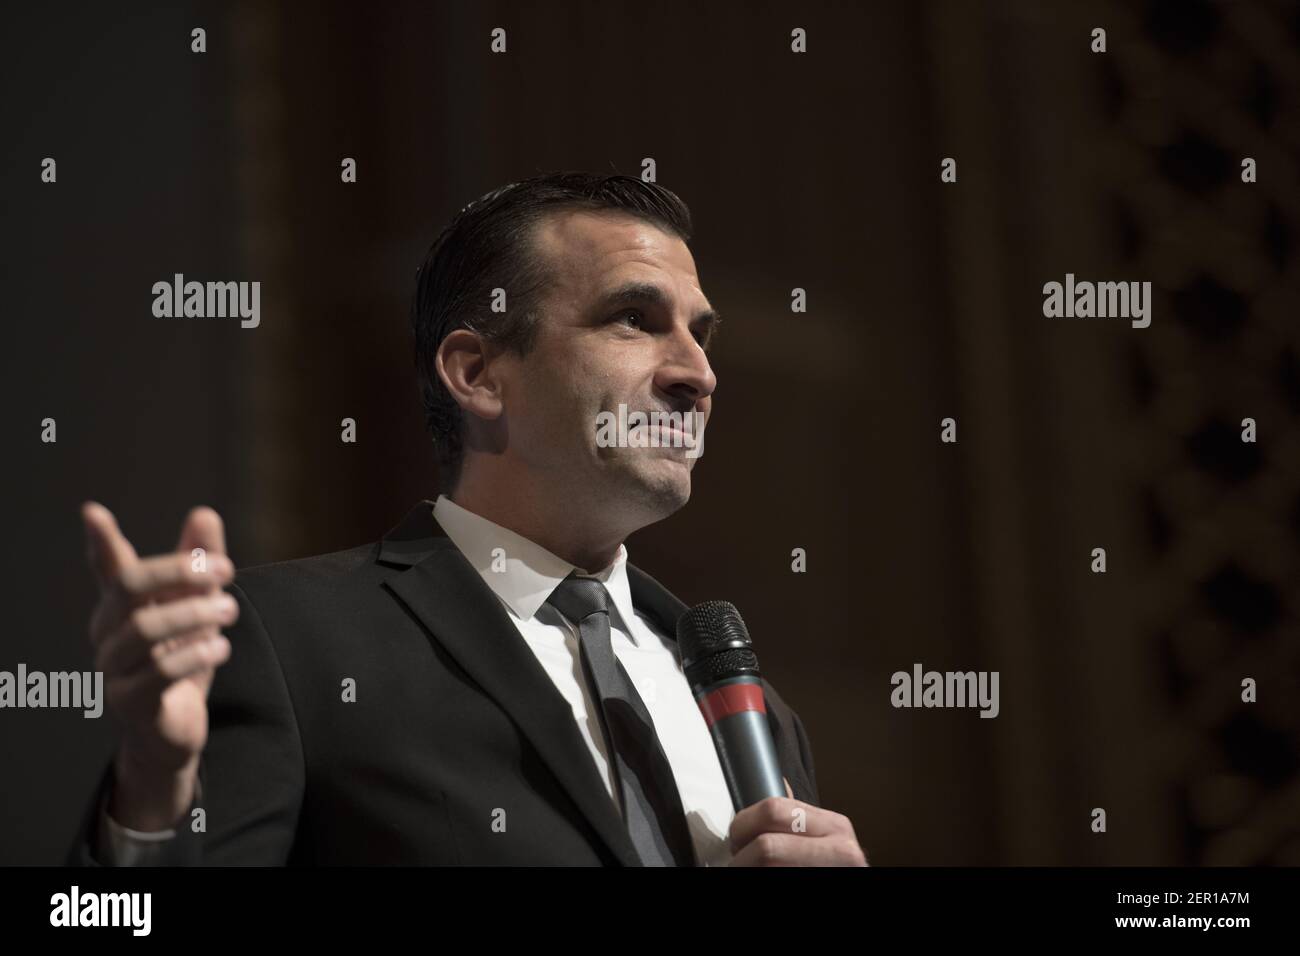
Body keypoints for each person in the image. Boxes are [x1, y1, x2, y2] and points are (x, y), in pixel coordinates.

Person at [67, 172, 867, 866]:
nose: (699, 375)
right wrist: (152, 799)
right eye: (633, 317)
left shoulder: (749, 707)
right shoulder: (289, 643)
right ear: (478, 373)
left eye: (701, 334)